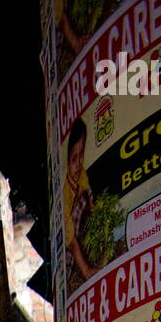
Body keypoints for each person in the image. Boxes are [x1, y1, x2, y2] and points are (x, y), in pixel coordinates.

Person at [65, 117, 95, 290]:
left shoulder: (81, 175)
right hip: (69, 253)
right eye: (73, 158)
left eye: (81, 155)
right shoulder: (64, 193)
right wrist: (86, 269)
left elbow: (89, 200)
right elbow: (71, 241)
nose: (78, 164)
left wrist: (94, 215)